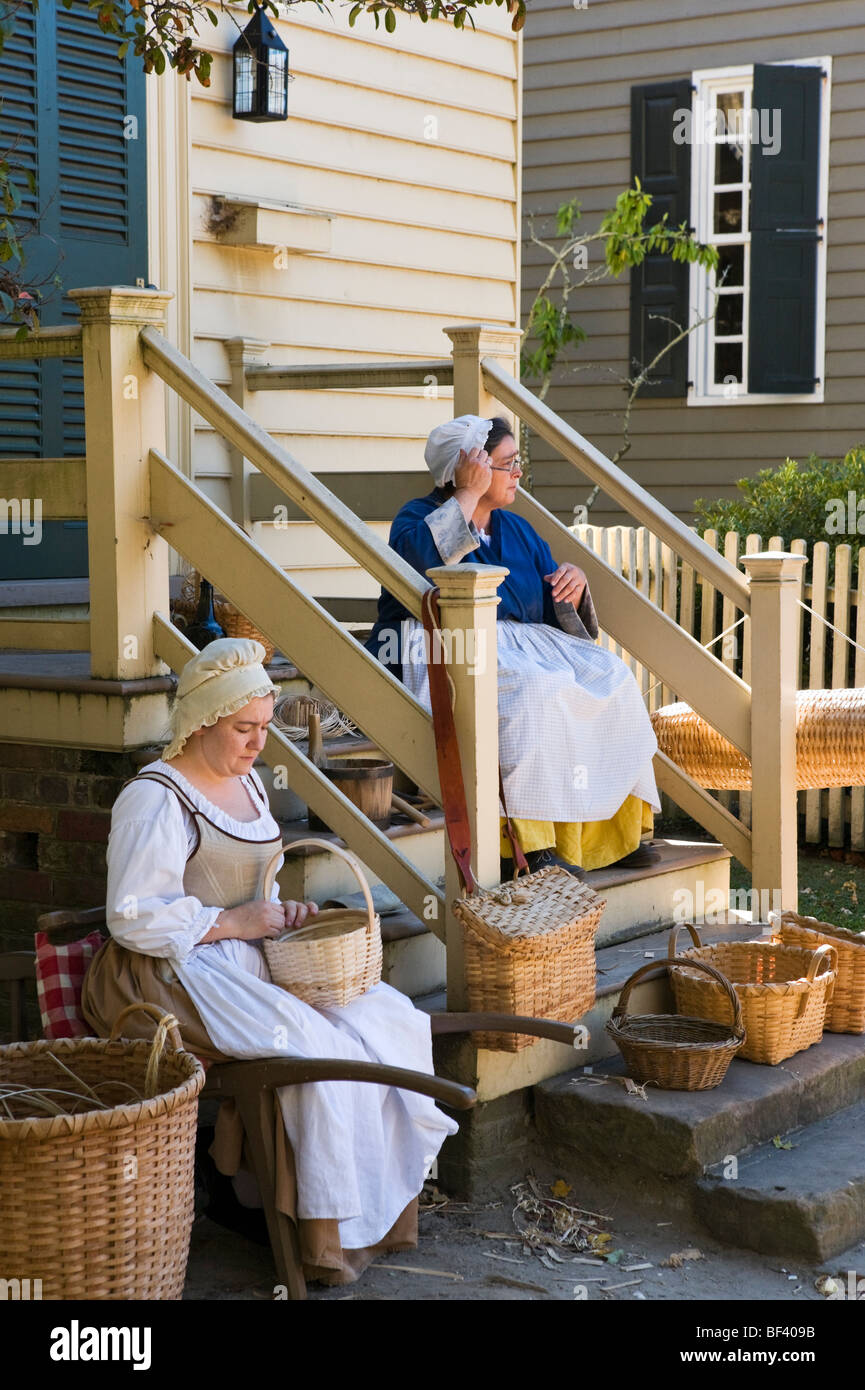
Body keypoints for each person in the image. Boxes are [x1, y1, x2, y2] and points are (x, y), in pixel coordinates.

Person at [81, 637, 457, 1286]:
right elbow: (133, 914)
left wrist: (278, 918)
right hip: (165, 974)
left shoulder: (247, 783)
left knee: (387, 1017)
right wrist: (233, 922)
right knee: (314, 1051)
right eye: (242, 729)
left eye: (262, 728)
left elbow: (258, 887)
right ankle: (317, 1231)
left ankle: (376, 1213)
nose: (258, 744)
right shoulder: (156, 798)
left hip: (241, 956)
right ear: (201, 722)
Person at [366, 414, 661, 874]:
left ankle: (616, 831)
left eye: (516, 462)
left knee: (613, 676)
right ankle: (529, 847)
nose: (518, 473)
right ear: (470, 470)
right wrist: (465, 494)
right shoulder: (416, 518)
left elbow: (551, 611)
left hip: (524, 649)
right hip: (443, 644)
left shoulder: (517, 530)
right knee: (535, 691)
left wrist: (575, 584)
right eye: (506, 464)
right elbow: (419, 562)